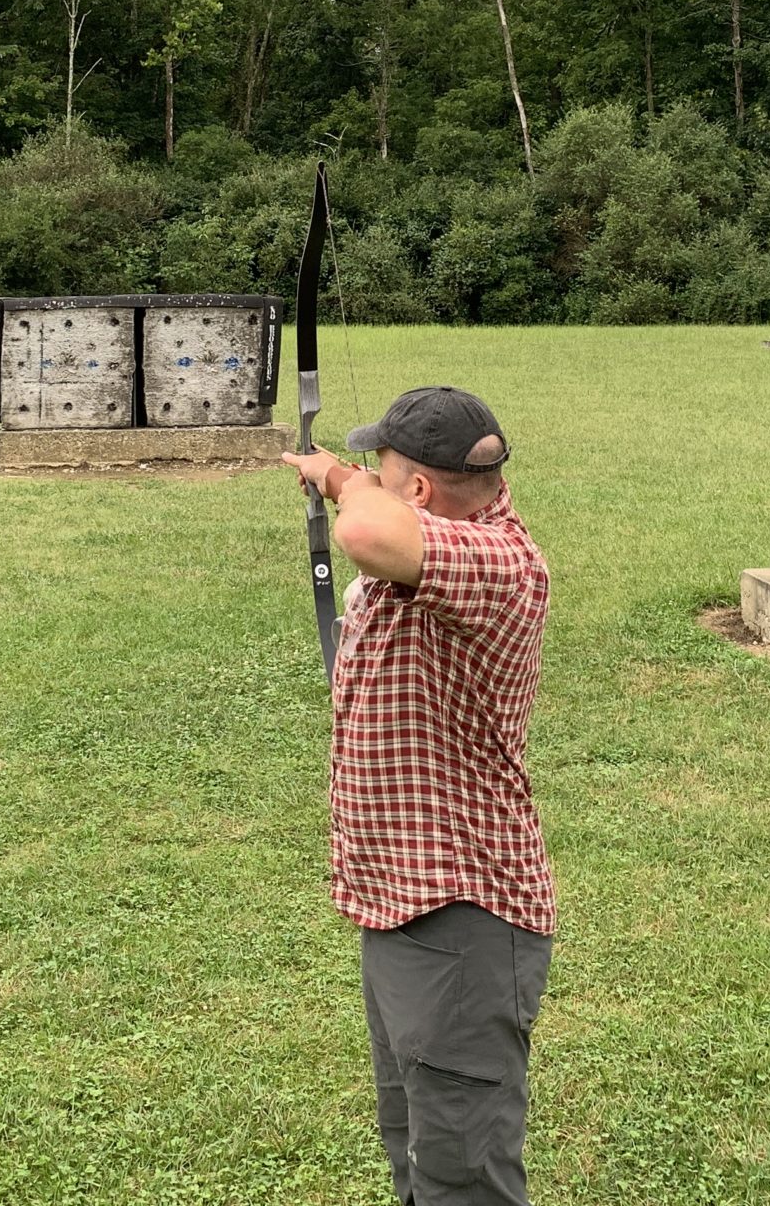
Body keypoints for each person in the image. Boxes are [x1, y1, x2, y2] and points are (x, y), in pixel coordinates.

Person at [281, 384, 554, 1206]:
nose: (366, 469)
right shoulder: (432, 556)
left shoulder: (502, 563)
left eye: (381, 464)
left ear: (421, 492)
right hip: (400, 902)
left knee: (463, 1174)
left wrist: (337, 480)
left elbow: (364, 527)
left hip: (463, 914)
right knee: (415, 1144)